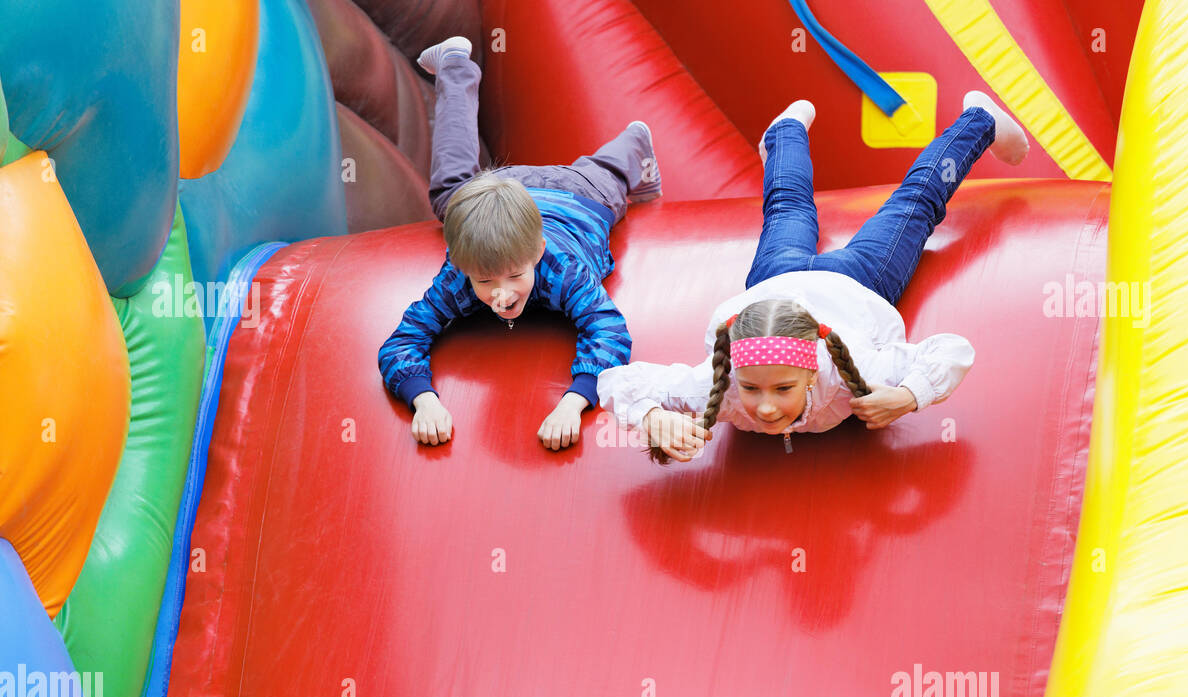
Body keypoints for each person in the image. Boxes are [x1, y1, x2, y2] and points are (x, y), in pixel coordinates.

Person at [597, 93, 1028, 464]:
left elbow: (952, 350)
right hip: (791, 284)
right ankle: (784, 131)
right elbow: (617, 380)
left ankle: (980, 117)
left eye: (783, 388)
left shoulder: (851, 369)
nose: (765, 407)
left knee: (913, 203)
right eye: (751, 388)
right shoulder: (720, 381)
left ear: (811, 374)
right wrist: (655, 418)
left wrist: (909, 395)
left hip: (848, 283)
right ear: (735, 374)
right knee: (789, 206)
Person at [378, 36, 661, 451]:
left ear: (537, 253)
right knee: (448, 197)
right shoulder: (458, 276)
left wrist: (572, 402)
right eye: (485, 281)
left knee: (607, 182)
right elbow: (403, 340)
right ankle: (454, 64)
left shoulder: (562, 268)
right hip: (498, 190)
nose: (502, 294)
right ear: (461, 264)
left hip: (576, 194)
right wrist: (423, 400)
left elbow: (607, 328)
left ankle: (633, 144)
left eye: (515, 275)